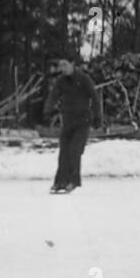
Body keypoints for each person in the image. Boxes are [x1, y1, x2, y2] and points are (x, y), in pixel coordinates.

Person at [44, 51, 104, 193]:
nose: (62, 68)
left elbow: (95, 98)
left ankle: (73, 181)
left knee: (75, 151)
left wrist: (97, 117)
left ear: (73, 64)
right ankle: (60, 182)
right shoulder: (60, 81)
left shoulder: (84, 79)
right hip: (68, 121)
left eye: (65, 65)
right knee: (64, 152)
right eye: (60, 65)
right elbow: (53, 96)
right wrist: (48, 110)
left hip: (83, 122)